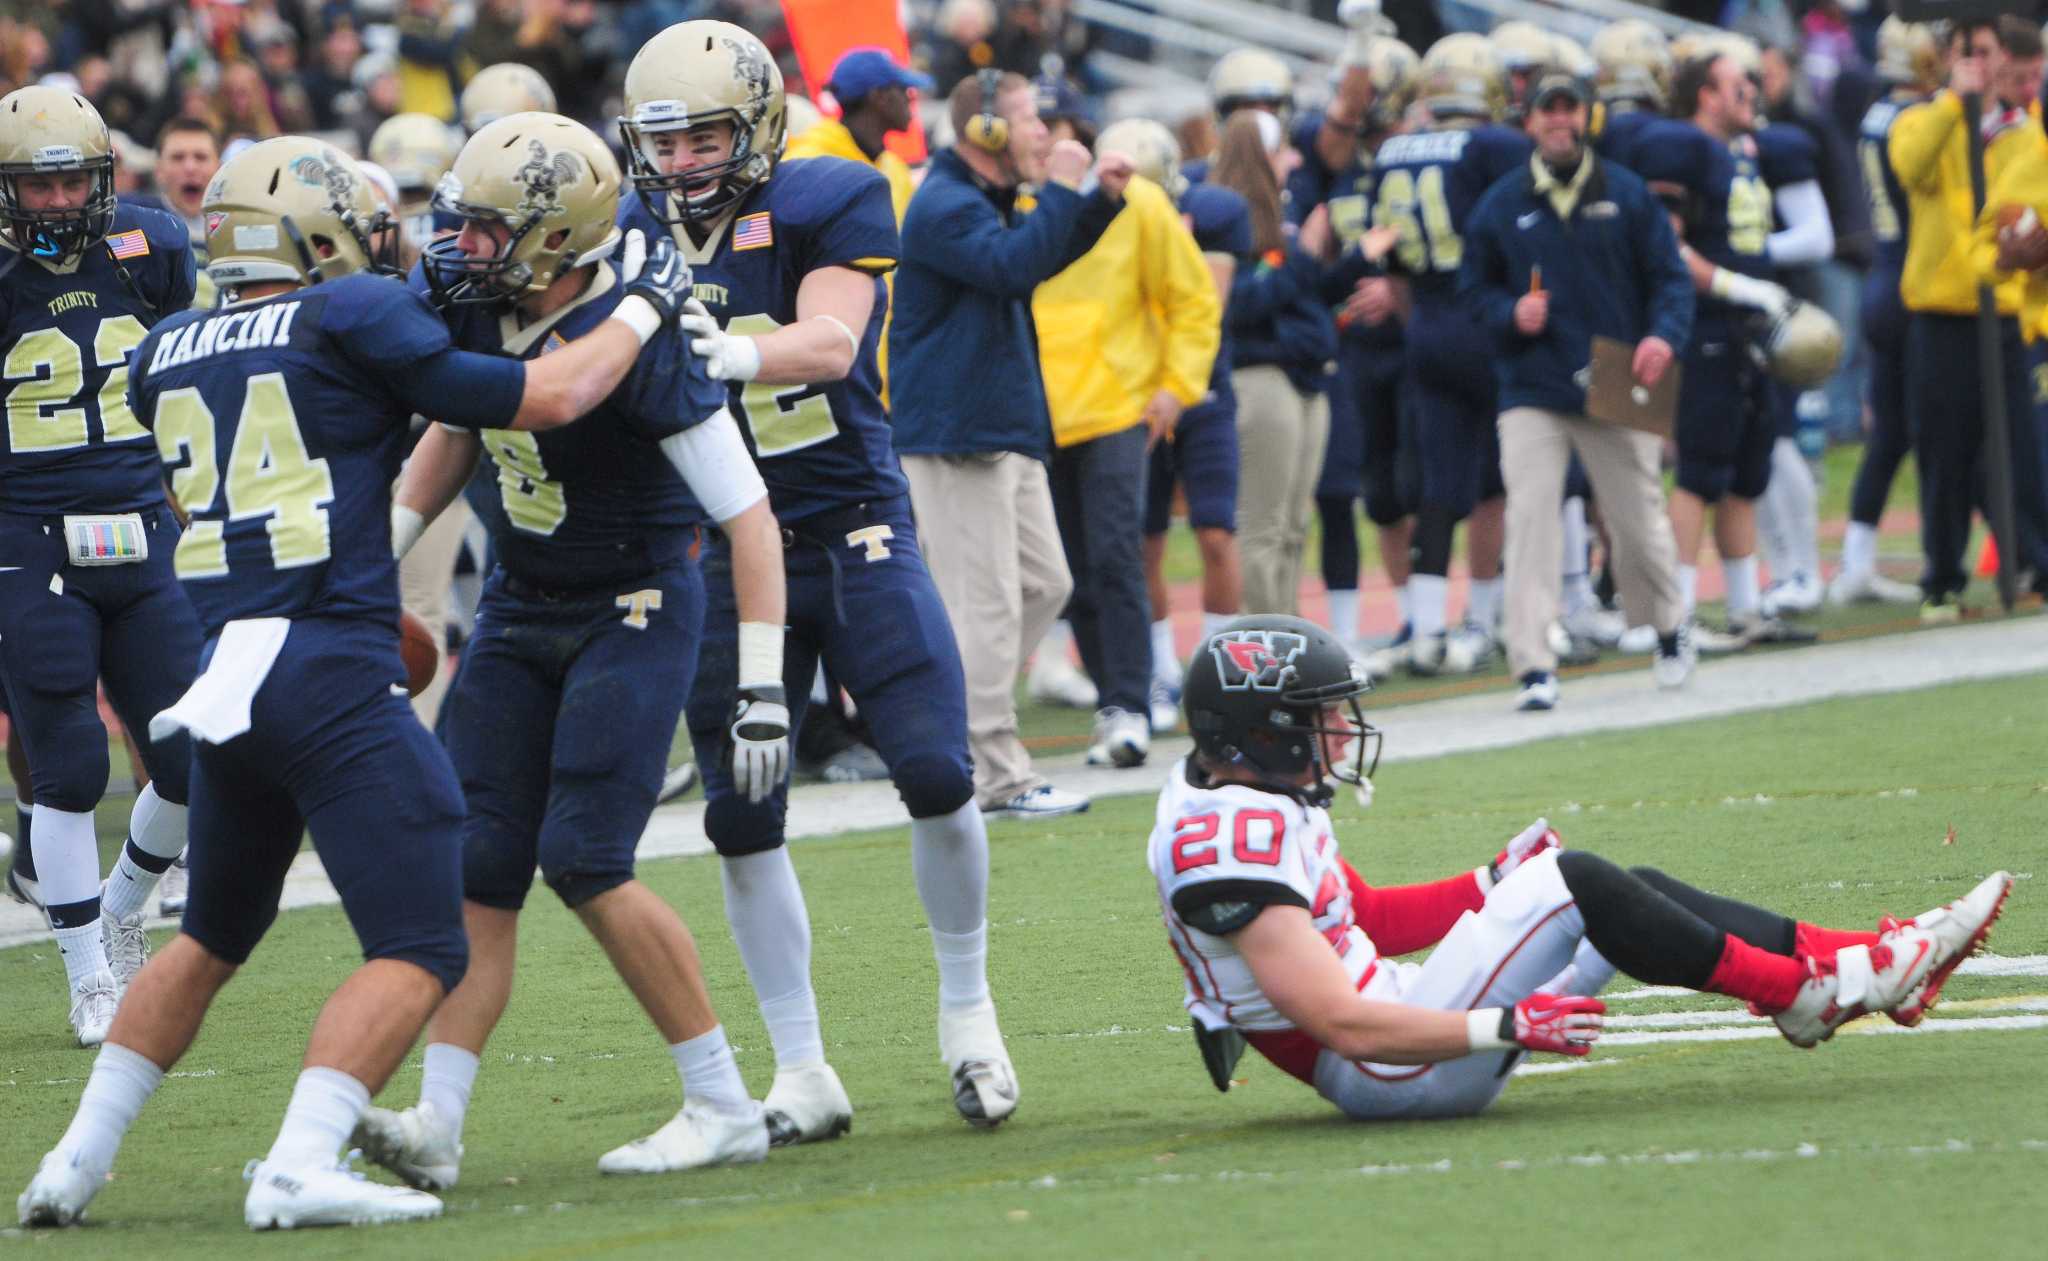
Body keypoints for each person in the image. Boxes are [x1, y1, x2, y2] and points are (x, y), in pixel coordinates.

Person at [17, 133, 693, 1231]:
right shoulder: (347, 317)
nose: (387, 247)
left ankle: (72, 1162)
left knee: (212, 935)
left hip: (222, 670)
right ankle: (298, 1160)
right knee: (426, 940)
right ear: (315, 234)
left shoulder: (165, 347)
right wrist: (647, 303)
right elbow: (552, 393)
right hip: (325, 664)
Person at [358, 110, 787, 1183]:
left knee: (585, 859)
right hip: (516, 603)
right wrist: (375, 560)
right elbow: (457, 435)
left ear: (556, 239)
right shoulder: (474, 309)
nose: (460, 248)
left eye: (488, 231)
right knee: (478, 864)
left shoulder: (643, 346)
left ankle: (722, 1100)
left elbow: (748, 518)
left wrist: (765, 683)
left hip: (632, 605)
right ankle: (439, 1124)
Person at [615, 21, 1027, 1136]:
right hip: (711, 545)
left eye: (704, 136)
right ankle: (801, 1068)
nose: (683, 160)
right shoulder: (621, 225)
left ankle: (967, 1010)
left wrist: (724, 351)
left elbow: (833, 344)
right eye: (665, 141)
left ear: (752, 126)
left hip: (845, 522)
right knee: (742, 815)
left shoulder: (829, 195)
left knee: (938, 769)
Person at [1150, 615, 2013, 1121]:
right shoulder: (1224, 851)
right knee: (1579, 883)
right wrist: (1505, 1026)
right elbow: (1344, 1025)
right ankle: (1806, 994)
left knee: (1615, 887)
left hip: (1404, 1020)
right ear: (1261, 732)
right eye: (1321, 716)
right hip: (1391, 1066)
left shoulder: (1245, 799)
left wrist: (1485, 882)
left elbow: (1362, 917)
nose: (1341, 733)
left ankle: (1864, 959)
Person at [0, 86, 197, 1046]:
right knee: (69, 762)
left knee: (195, 757)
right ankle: (88, 980)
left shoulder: (152, 247)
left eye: (70, 179)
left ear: (102, 175)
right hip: (28, 533)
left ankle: (123, 911)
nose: (55, 202)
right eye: (34, 188)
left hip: (143, 523)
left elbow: (189, 375)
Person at [892, 68, 1130, 822]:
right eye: (1030, 120)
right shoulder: (944, 202)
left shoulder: (983, 198)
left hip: (997, 429)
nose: (1045, 133)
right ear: (985, 132)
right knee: (987, 608)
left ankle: (945, 708)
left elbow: (1034, 257)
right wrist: (1064, 190)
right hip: (960, 434)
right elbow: (1011, 267)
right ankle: (995, 775)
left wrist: (1097, 206)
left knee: (1044, 585)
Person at [1460, 70, 1696, 711]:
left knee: (1636, 516)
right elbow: (1471, 291)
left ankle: (1670, 627)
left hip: (1613, 373)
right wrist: (1511, 314)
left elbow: (1671, 279)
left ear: (1587, 118)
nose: (1559, 121)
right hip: (1531, 383)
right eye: (1548, 111)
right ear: (1529, 121)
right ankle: (1534, 664)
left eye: (1570, 110)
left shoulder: (1626, 194)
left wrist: (1663, 338)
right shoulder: (1501, 203)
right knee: (1531, 519)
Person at [1035, 118, 1220, 769]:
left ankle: (1128, 704)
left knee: (1116, 552)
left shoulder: (1138, 200)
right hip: (1036, 409)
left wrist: (1176, 386)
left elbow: (1193, 298)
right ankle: (1112, 699)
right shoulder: (1019, 198)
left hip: (1118, 404)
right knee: (1068, 568)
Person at [1369, 34, 1529, 673]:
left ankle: (1429, 630)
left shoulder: (1393, 150)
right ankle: (1484, 620)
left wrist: (1419, 321)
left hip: (1427, 322)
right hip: (1484, 318)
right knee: (1497, 478)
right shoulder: (1494, 145)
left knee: (1439, 485)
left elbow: (1398, 268)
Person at [1623, 49, 1793, 648]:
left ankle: (1745, 607)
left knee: (1747, 470)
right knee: (1700, 471)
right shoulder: (1679, 148)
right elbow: (1665, 249)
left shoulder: (1741, 151)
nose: (1750, 89)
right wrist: (1739, 285)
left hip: (1746, 327)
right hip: (1705, 326)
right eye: (1736, 82)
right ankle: (1679, 617)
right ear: (1705, 95)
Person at [1891, 17, 2048, 617]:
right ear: (1951, 58)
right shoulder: (1923, 119)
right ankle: (1943, 576)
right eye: (1970, 54)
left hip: (2006, 310)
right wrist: (1957, 101)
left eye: (1989, 54)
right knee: (1945, 450)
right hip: (1942, 310)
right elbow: (1912, 167)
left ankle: (2036, 560)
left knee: (2024, 447)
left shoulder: (2022, 129)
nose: (1983, 65)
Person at [1834, 16, 1941, 607]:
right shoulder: (1919, 118)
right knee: (1936, 430)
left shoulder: (1877, 114)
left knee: (1892, 432)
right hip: (1913, 279)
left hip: (1883, 275)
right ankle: (1940, 554)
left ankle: (1856, 558)